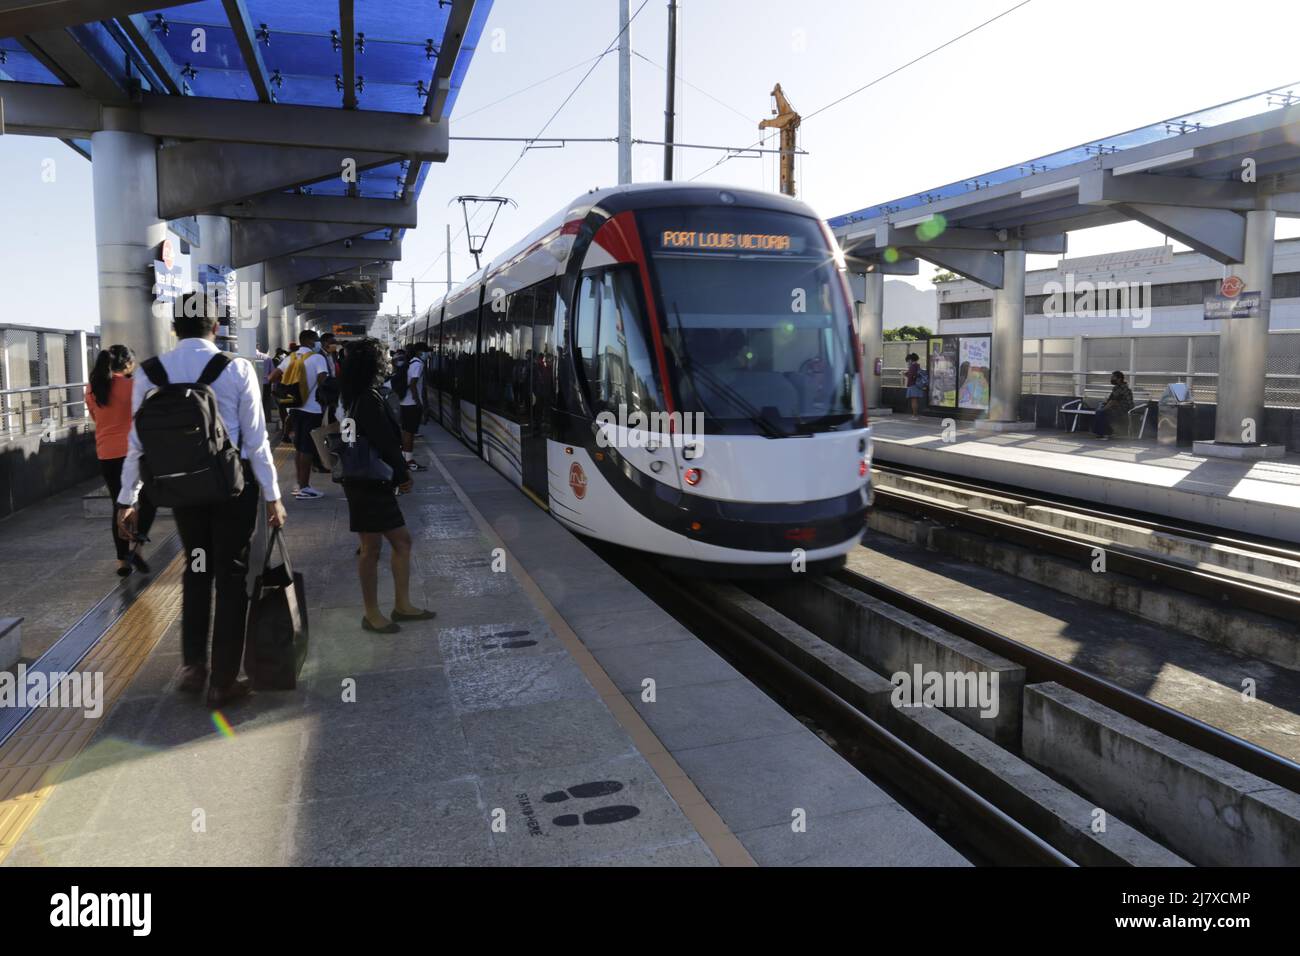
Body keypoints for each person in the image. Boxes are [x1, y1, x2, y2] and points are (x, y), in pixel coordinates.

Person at [116, 293, 287, 706]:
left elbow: (136, 444)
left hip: (181, 490)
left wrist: (127, 498)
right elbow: (257, 441)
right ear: (217, 327)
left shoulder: (150, 372)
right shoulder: (237, 369)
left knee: (197, 569)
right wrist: (273, 496)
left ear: (174, 329)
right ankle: (224, 680)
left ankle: (194, 666)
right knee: (231, 580)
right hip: (233, 489)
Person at [338, 337, 434, 633]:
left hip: (367, 479)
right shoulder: (367, 398)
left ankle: (402, 605)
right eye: (383, 358)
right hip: (367, 480)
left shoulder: (356, 395)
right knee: (371, 548)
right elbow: (384, 440)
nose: (388, 362)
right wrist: (404, 472)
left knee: (399, 541)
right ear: (373, 364)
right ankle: (372, 613)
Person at [86, 345, 156, 578]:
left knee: (119, 505)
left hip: (106, 453)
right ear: (127, 364)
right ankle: (138, 548)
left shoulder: (93, 388)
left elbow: (97, 418)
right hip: (134, 452)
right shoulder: (132, 386)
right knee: (148, 499)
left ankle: (121, 561)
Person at [269, 329, 331, 499]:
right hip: (312, 409)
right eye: (317, 340)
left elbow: (272, 377)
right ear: (311, 341)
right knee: (308, 448)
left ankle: (300, 484)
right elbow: (323, 382)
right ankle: (304, 487)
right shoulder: (318, 358)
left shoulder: (291, 358)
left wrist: (287, 389)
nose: (318, 343)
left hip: (294, 407)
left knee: (299, 447)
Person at [397, 343, 428, 472]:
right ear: (420, 352)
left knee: (406, 432)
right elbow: (413, 384)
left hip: (405, 403)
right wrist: (418, 402)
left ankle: (405, 458)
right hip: (411, 404)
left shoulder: (410, 362)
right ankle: (409, 461)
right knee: (410, 433)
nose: (428, 354)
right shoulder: (418, 364)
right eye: (426, 351)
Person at [1091, 370, 1134, 440]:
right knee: (1100, 411)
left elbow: (1114, 401)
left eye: (1113, 377)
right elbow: (1110, 400)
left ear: (1119, 379)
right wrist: (1103, 406)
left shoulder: (1123, 388)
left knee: (1101, 412)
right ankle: (1103, 433)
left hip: (1124, 409)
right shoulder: (1116, 388)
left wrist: (1103, 409)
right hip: (1116, 407)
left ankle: (1105, 433)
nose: (1111, 379)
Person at [904, 353, 925, 418]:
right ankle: (915, 414)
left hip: (913, 385)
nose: (908, 362)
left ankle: (914, 415)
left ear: (910, 360)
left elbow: (911, 376)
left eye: (908, 361)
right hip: (917, 385)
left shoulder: (913, 366)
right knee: (915, 400)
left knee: (914, 401)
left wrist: (905, 374)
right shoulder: (917, 365)